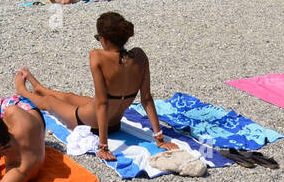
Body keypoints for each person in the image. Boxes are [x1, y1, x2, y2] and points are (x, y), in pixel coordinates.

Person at [16, 11, 173, 160]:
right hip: (115, 123)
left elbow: (103, 103)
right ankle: (40, 89)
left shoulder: (97, 56)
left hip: (89, 123)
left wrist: (103, 146)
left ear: (103, 39)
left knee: (50, 101)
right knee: (70, 96)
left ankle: (23, 91)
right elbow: (146, 99)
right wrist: (159, 138)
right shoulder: (140, 56)